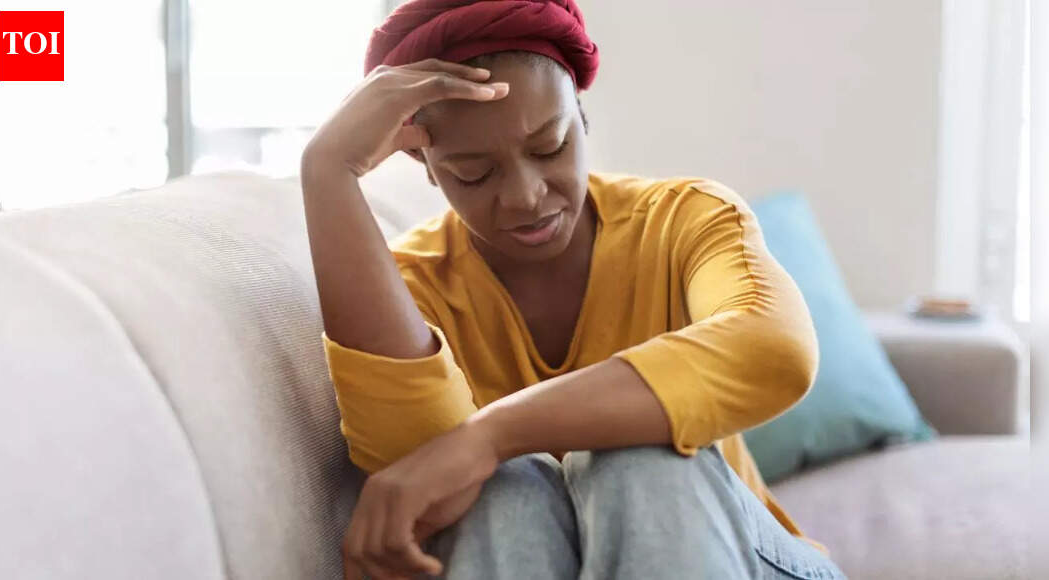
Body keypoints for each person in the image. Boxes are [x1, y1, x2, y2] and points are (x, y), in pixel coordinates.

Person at [301, 1, 847, 578]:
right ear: (426, 163)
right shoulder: (411, 287)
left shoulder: (684, 219)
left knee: (636, 456)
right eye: (474, 173)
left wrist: (492, 435)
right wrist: (327, 171)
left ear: (581, 117)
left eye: (549, 148)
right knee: (498, 496)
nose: (526, 196)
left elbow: (775, 350)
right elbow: (420, 484)